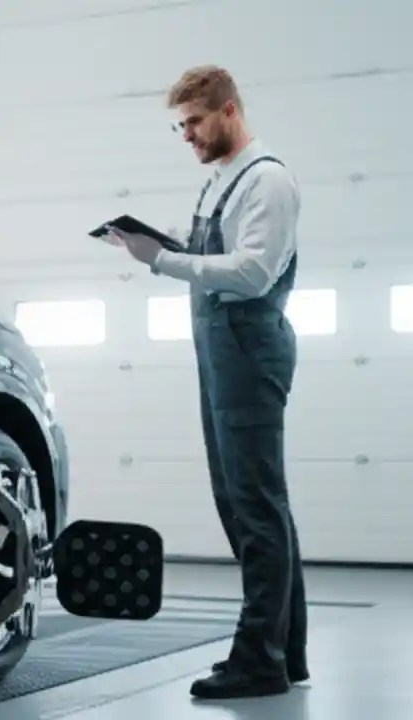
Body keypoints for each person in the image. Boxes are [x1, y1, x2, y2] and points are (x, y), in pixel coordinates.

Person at [108, 64, 308, 699]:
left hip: (248, 348)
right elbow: (218, 255)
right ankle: (286, 653)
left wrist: (162, 260)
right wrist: (154, 244)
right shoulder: (222, 181)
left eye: (194, 122)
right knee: (247, 502)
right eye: (180, 125)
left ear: (229, 111)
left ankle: (258, 661)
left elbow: (251, 272)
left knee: (254, 506)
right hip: (223, 350)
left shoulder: (267, 180)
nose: (187, 135)